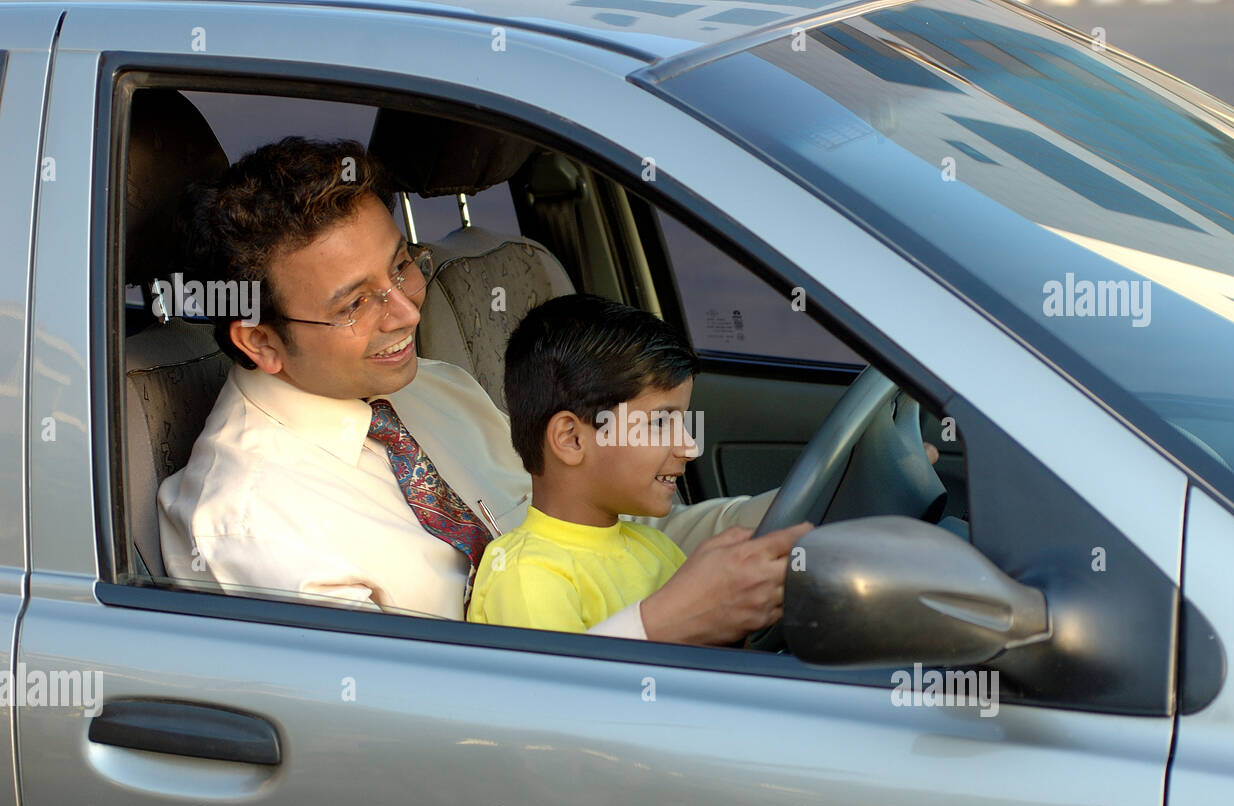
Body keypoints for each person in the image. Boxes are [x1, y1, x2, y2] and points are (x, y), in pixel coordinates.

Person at [157, 137, 807, 645]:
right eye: (357, 303)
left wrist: (792, 523)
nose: (409, 312)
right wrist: (659, 626)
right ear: (261, 342)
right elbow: (423, 744)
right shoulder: (254, 527)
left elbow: (597, 540)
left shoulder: (431, 390)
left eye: (402, 266)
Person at [468, 294, 716, 633]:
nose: (690, 447)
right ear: (571, 439)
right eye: (660, 422)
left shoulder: (657, 549)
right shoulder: (527, 575)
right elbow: (563, 687)